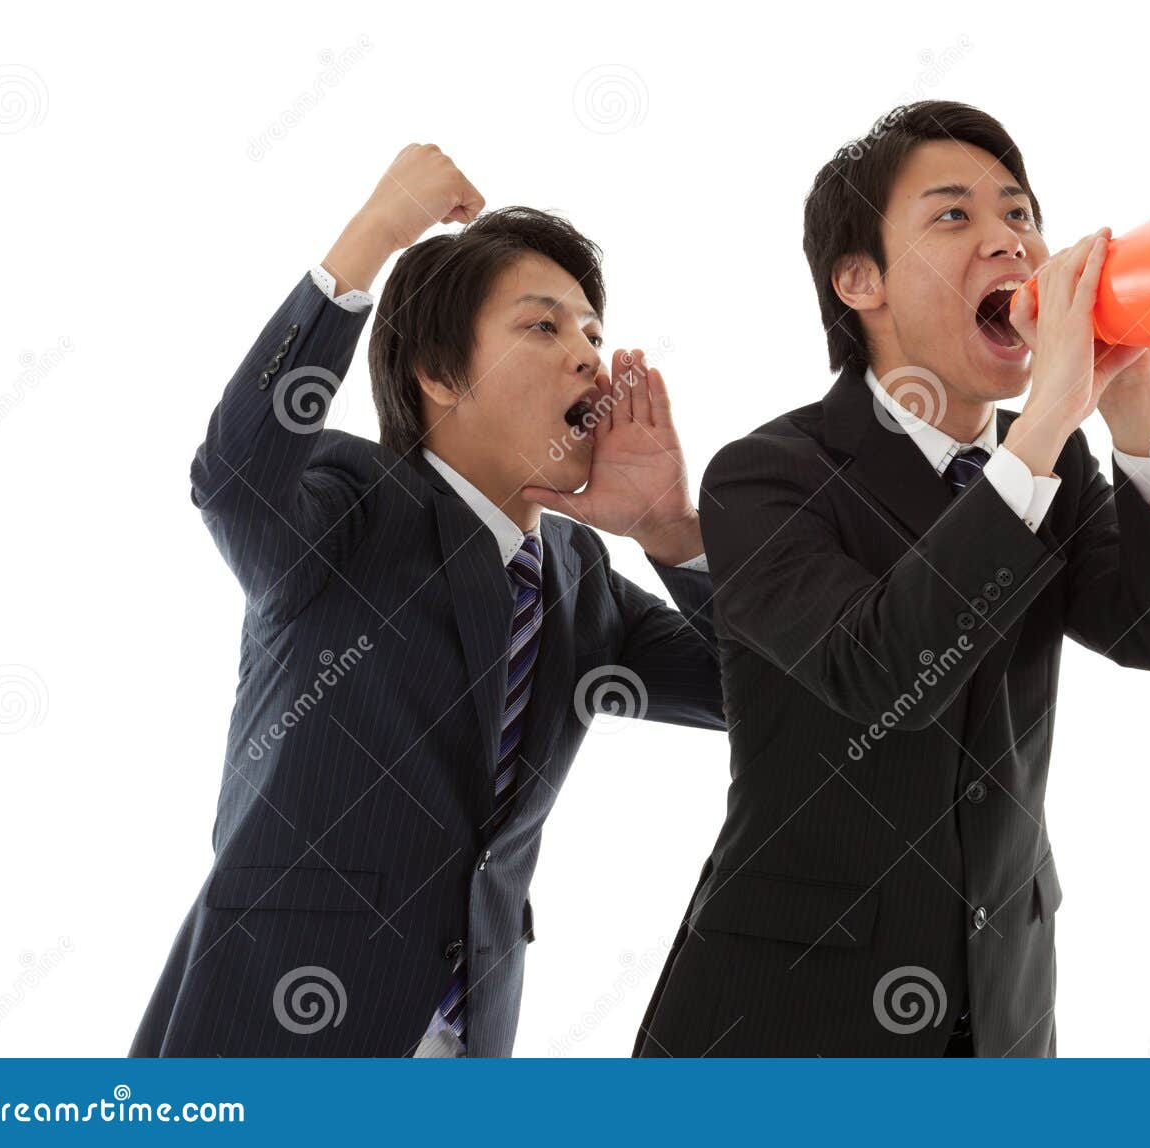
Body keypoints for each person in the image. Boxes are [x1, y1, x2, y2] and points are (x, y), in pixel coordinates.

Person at [635, 102, 1150, 1057]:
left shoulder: (1055, 467)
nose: (1008, 240)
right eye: (954, 216)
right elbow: (884, 672)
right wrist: (1044, 424)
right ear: (858, 280)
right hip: (786, 1015)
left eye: (1020, 214)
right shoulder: (764, 475)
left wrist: (1138, 413)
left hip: (1000, 1009)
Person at [133, 143, 725, 1057]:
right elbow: (235, 477)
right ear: (440, 375)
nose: (588, 360)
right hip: (272, 1033)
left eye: (594, 335)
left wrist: (672, 535)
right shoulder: (353, 500)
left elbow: (777, 699)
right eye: (543, 328)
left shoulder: (580, 575)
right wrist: (374, 236)